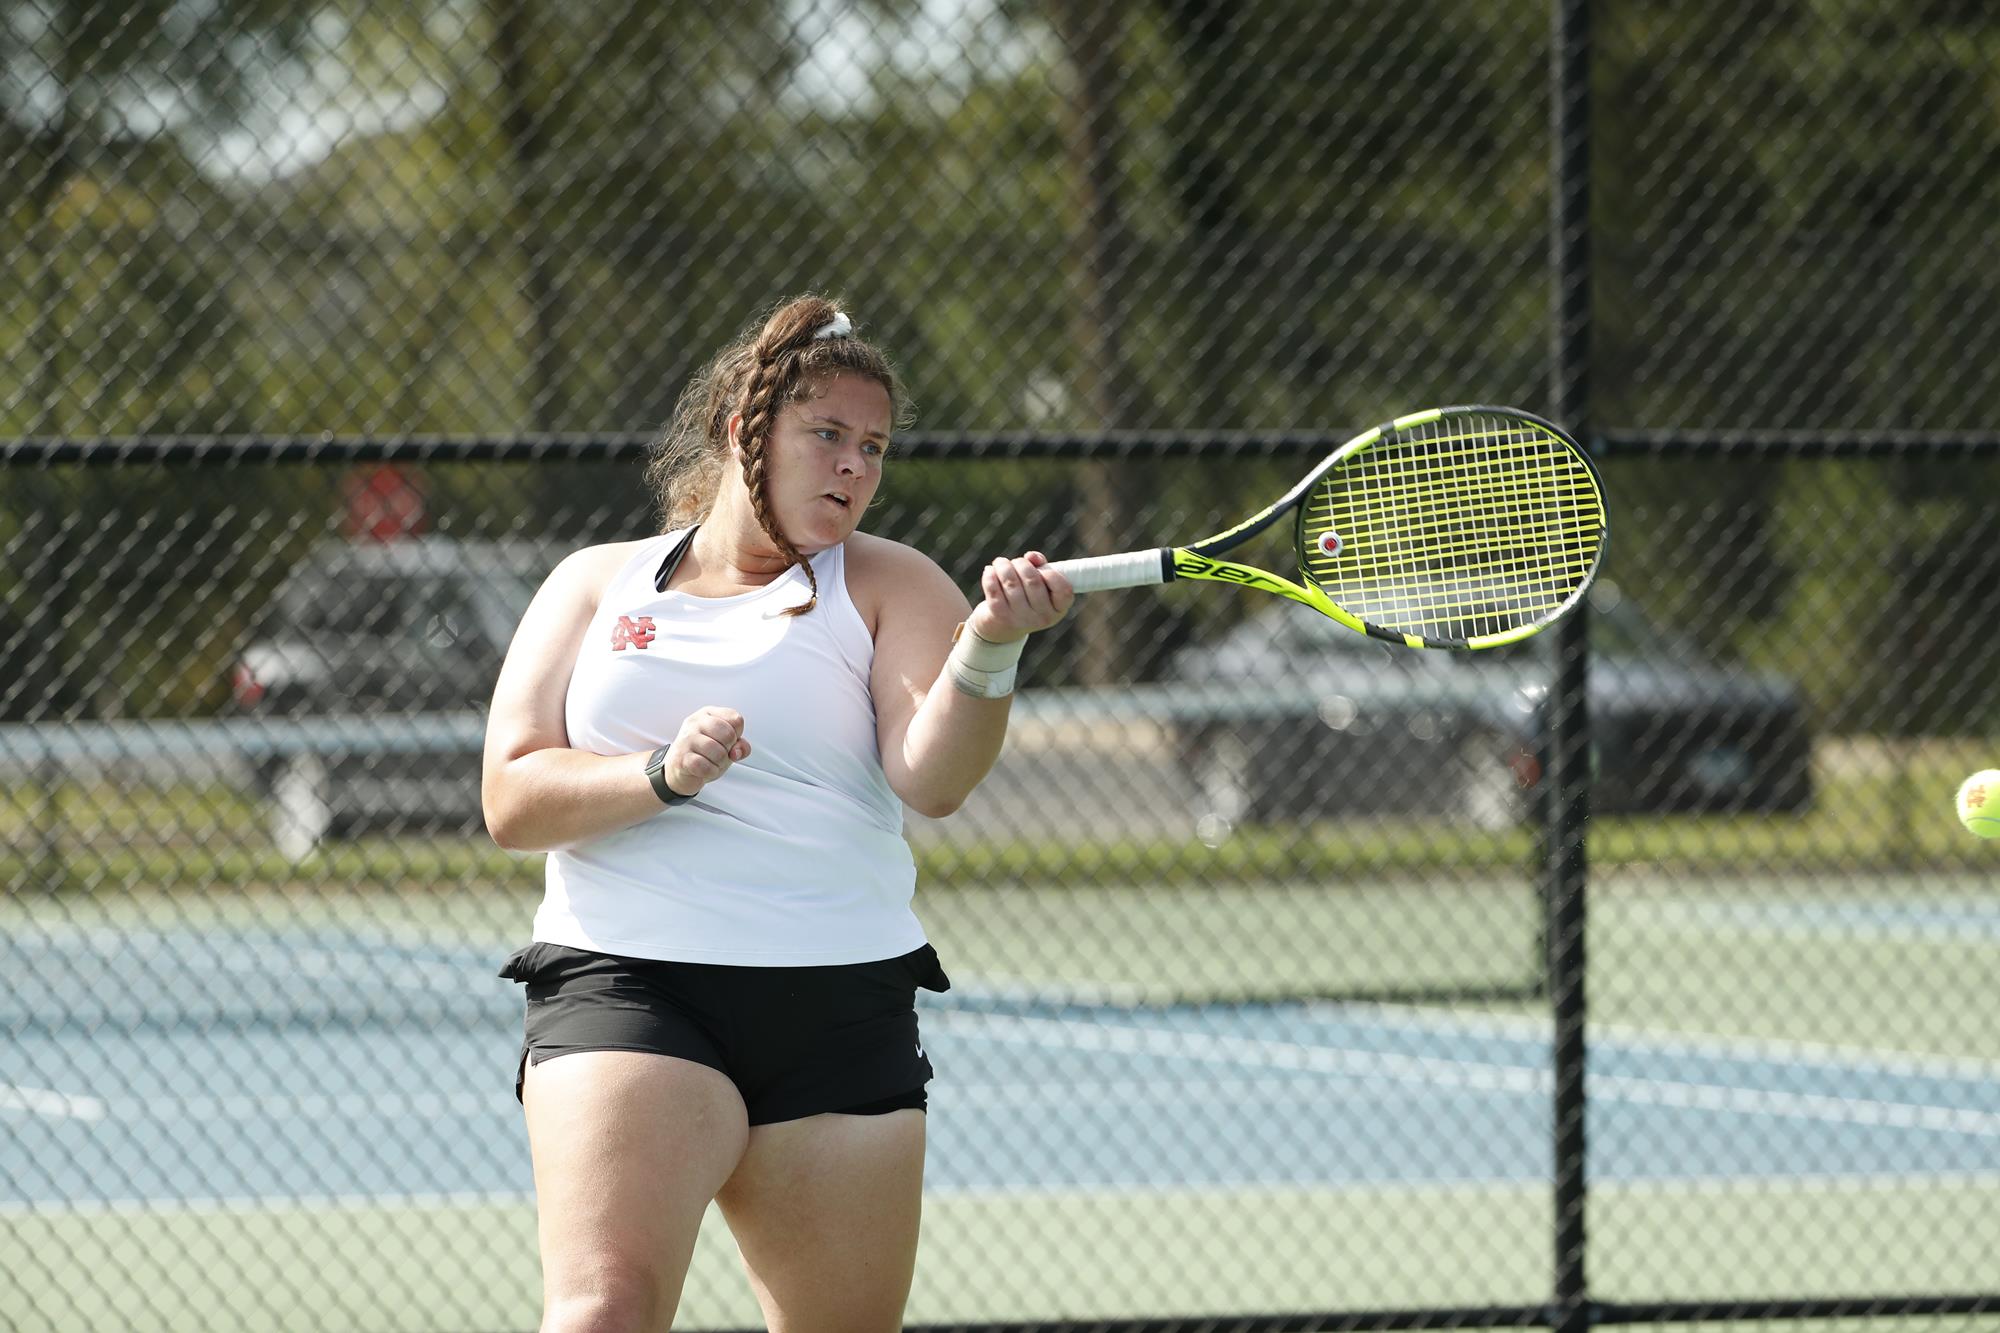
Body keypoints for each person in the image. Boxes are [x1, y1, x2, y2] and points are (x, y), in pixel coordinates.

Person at [482, 293, 1072, 1332]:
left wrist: (989, 650)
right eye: (827, 434)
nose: (853, 465)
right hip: (630, 982)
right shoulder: (592, 584)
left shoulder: (891, 582)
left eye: (874, 447)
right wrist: (658, 774)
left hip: (838, 1006)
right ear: (741, 432)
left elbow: (932, 777)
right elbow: (512, 794)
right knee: (600, 1312)